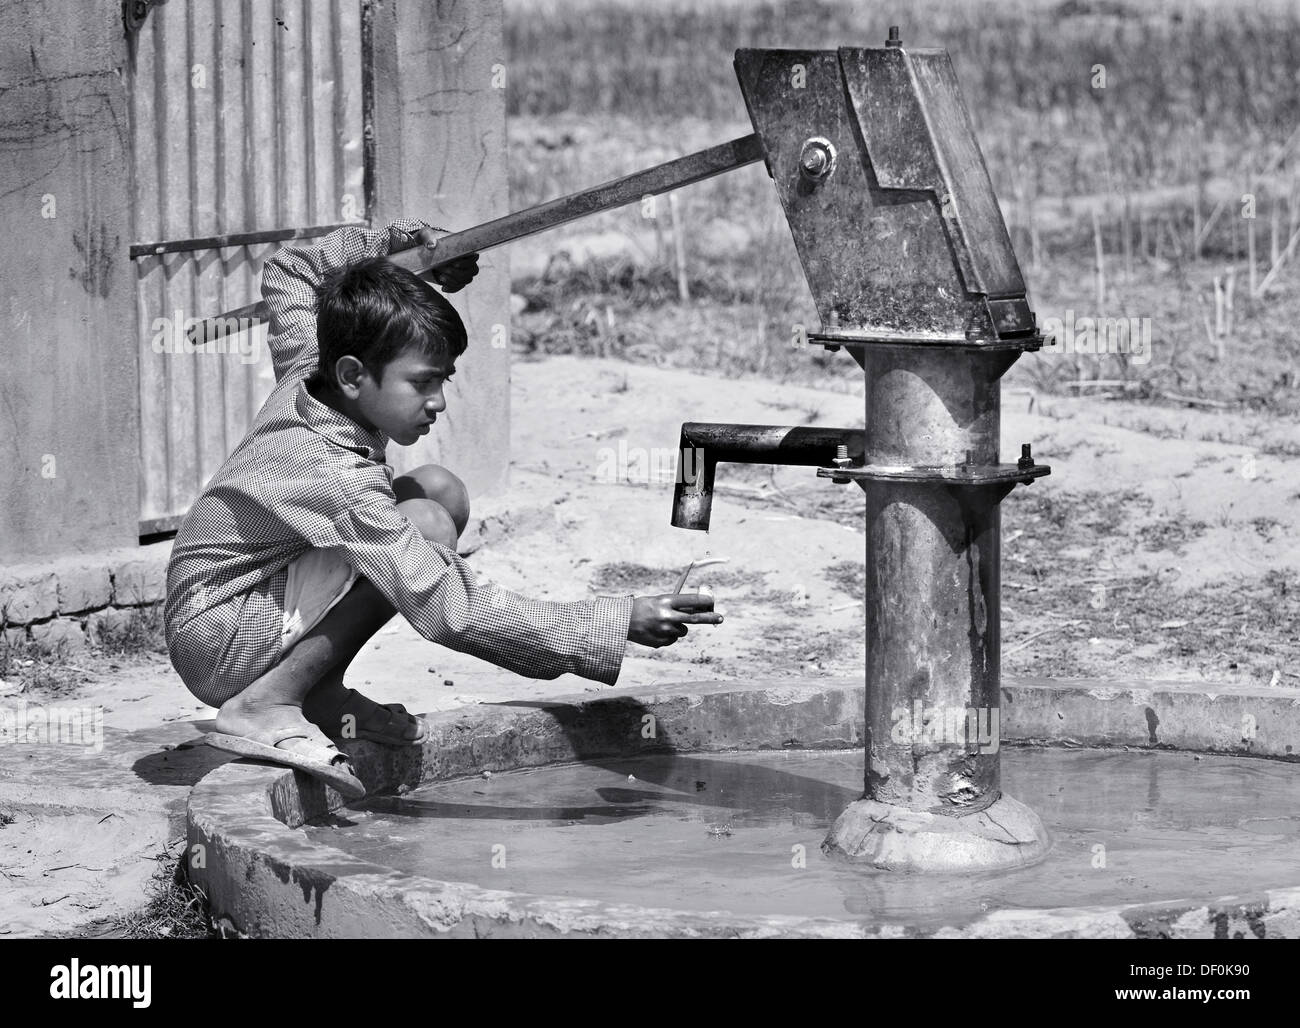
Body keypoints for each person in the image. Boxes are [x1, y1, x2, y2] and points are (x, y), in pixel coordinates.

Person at [163, 219, 721, 797]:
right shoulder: (331, 475)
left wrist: (408, 244)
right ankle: (266, 702)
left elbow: (292, 270)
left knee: (438, 489)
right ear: (354, 375)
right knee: (423, 525)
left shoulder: (314, 367)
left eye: (445, 380)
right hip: (220, 634)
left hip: (231, 602)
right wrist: (610, 623)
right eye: (424, 382)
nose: (439, 403)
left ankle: (317, 694)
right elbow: (447, 608)